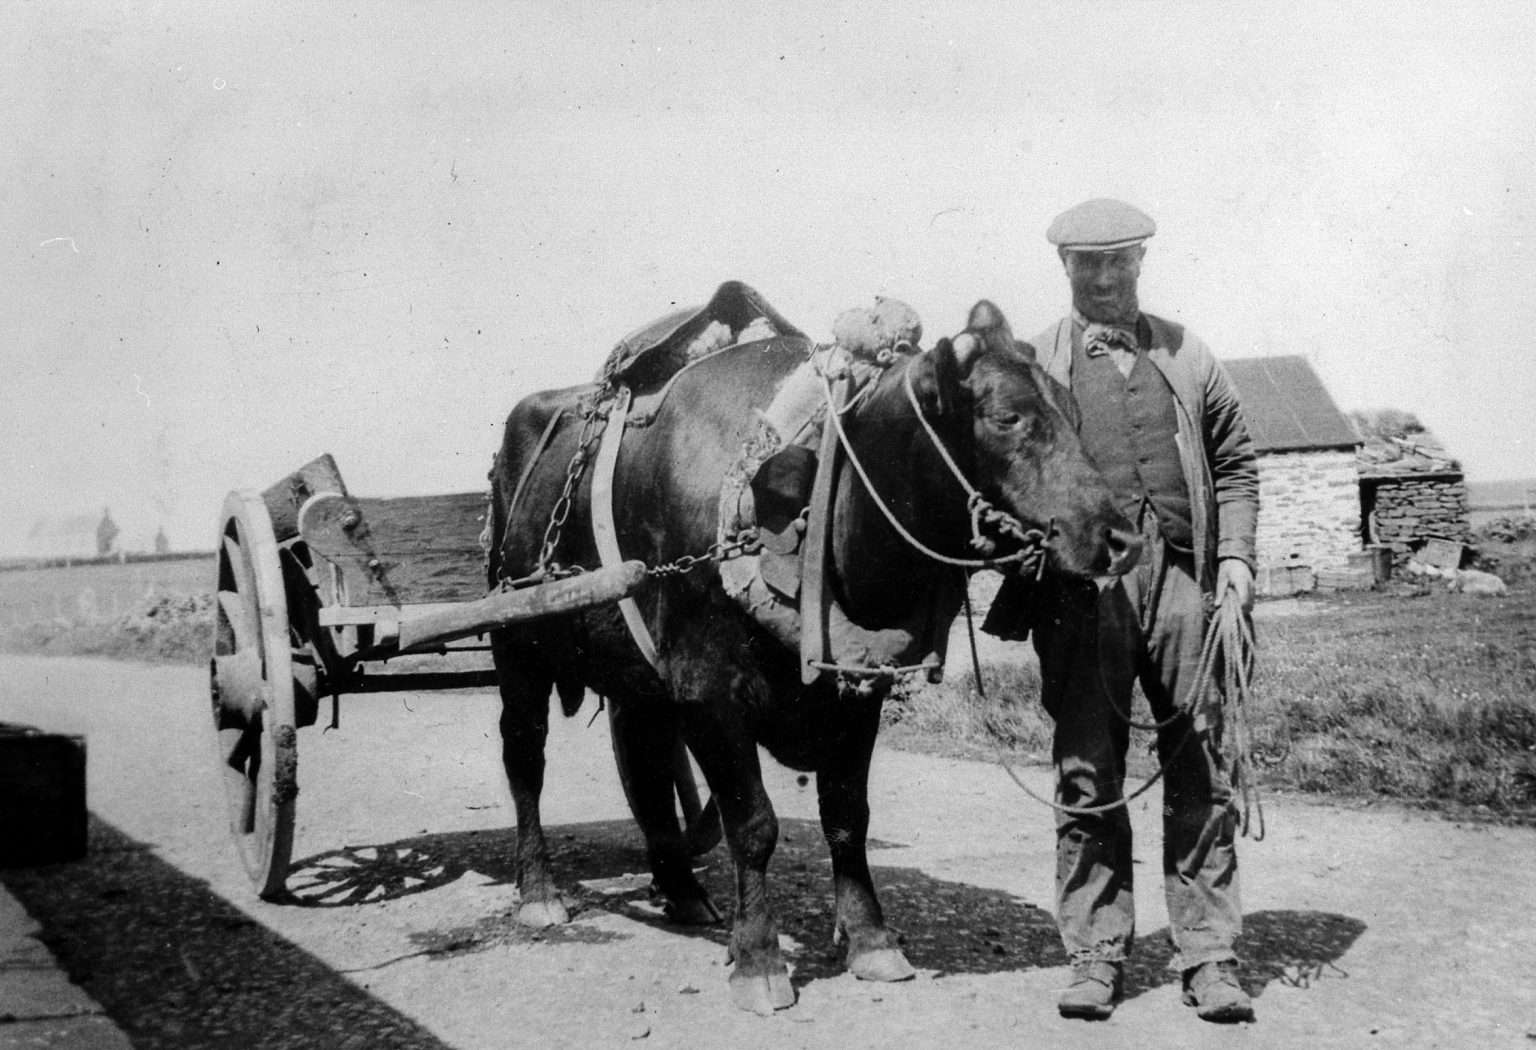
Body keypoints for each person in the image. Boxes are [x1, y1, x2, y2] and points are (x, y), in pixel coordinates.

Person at [999, 198, 1260, 1023]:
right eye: (1087, 264)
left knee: (1202, 766)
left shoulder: (1189, 356)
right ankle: (1096, 956)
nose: (1104, 278)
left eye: (1118, 262)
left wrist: (1236, 562)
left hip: (1184, 581)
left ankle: (1210, 956)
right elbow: (1004, 470)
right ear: (1065, 268)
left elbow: (1237, 460)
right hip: (1082, 592)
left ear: (1141, 262)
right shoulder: (1035, 363)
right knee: (1087, 773)